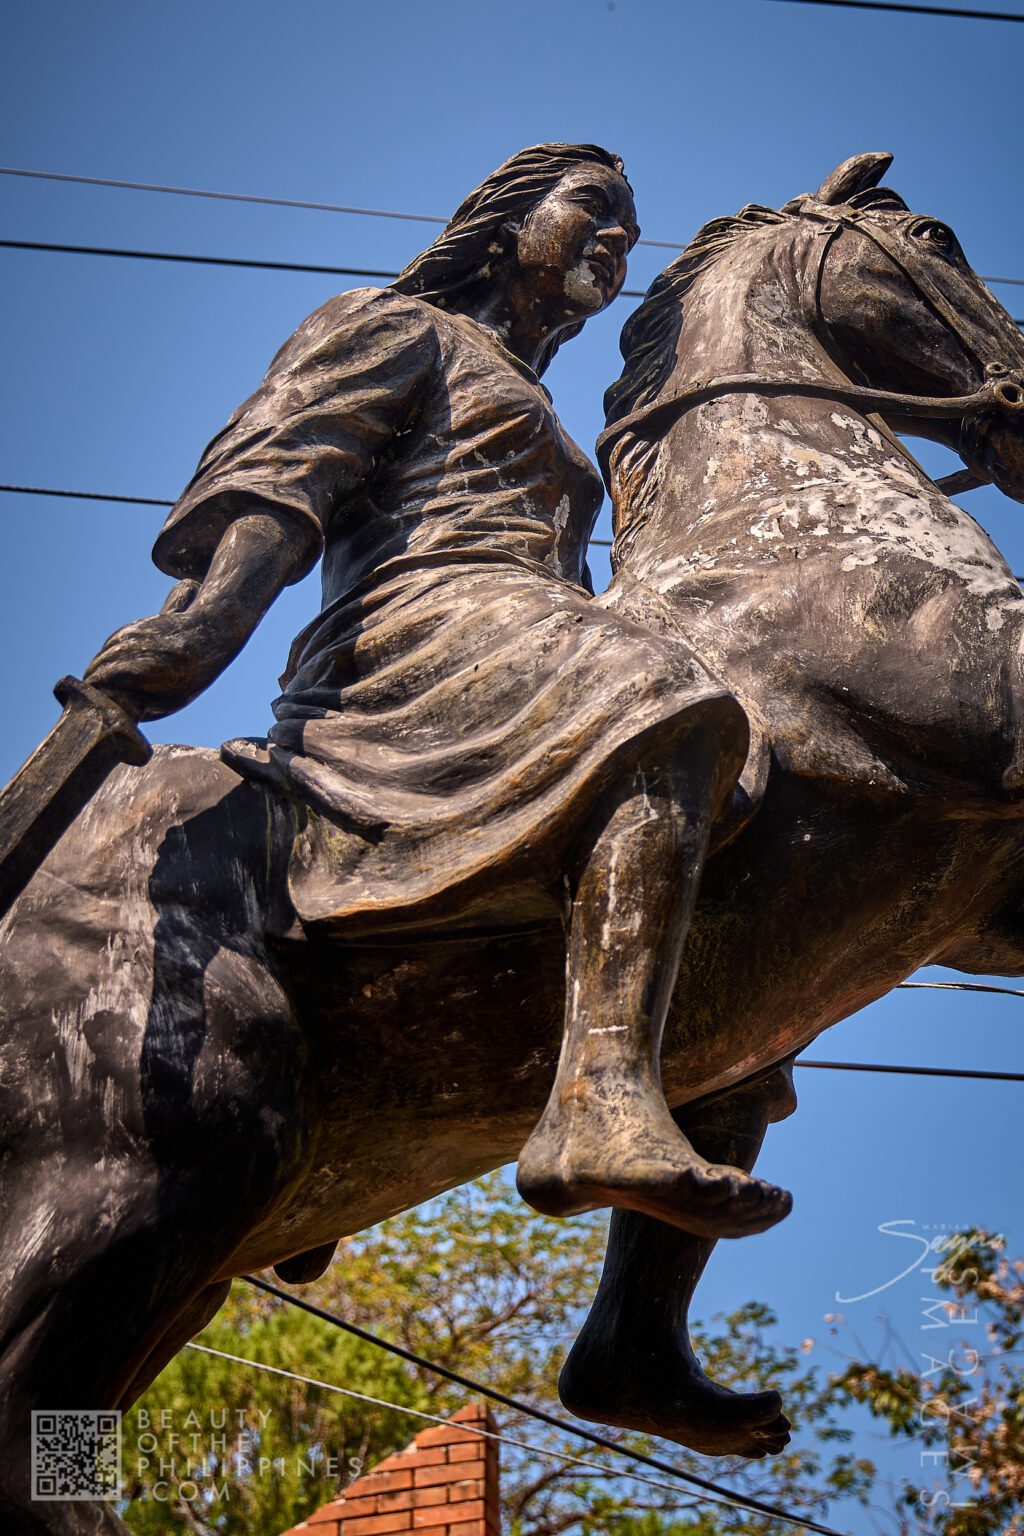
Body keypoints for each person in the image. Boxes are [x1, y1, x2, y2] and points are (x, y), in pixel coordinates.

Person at [85, 143, 788, 1238]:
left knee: (757, 833)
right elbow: (289, 471)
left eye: (631, 230)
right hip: (410, 633)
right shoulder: (397, 325)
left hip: (515, 630)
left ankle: (638, 1322)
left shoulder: (541, 404)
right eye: (592, 208)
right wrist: (211, 623)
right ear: (502, 226)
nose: (616, 237)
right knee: (664, 700)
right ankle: (596, 1103)